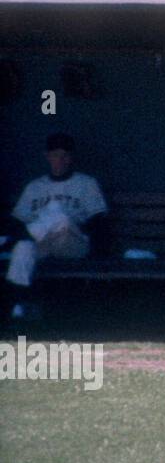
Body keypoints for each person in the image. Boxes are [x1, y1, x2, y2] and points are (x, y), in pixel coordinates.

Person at [3, 134, 108, 323]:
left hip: (73, 242)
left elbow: (98, 219)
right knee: (23, 248)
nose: (60, 160)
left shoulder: (86, 183)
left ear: (71, 157)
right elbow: (17, 220)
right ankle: (19, 305)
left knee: (59, 214)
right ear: (47, 156)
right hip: (43, 244)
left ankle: (5, 244)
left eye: (65, 155)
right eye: (55, 155)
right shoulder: (35, 186)